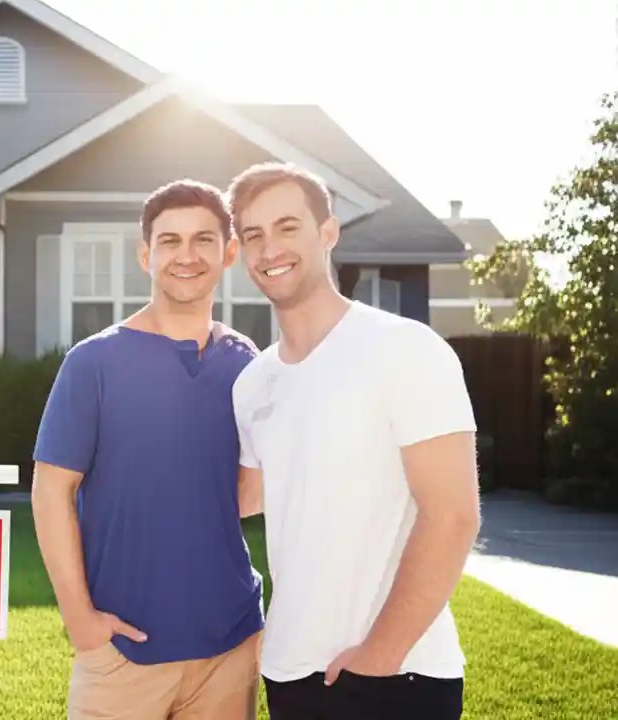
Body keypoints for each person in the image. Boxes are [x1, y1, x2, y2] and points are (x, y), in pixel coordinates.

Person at [226, 161, 481, 719]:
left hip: (396, 675)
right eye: (253, 235)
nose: (270, 249)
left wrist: (380, 655)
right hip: (290, 671)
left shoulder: (404, 348)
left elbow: (455, 514)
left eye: (287, 227)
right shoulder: (253, 383)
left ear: (327, 233)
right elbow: (247, 499)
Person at [31, 179, 266, 719]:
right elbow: (50, 492)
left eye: (204, 240)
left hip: (229, 645)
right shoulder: (93, 363)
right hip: (121, 650)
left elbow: (246, 494)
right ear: (145, 255)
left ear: (228, 253)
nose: (187, 255)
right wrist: (80, 620)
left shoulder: (244, 361)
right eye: (170, 241)